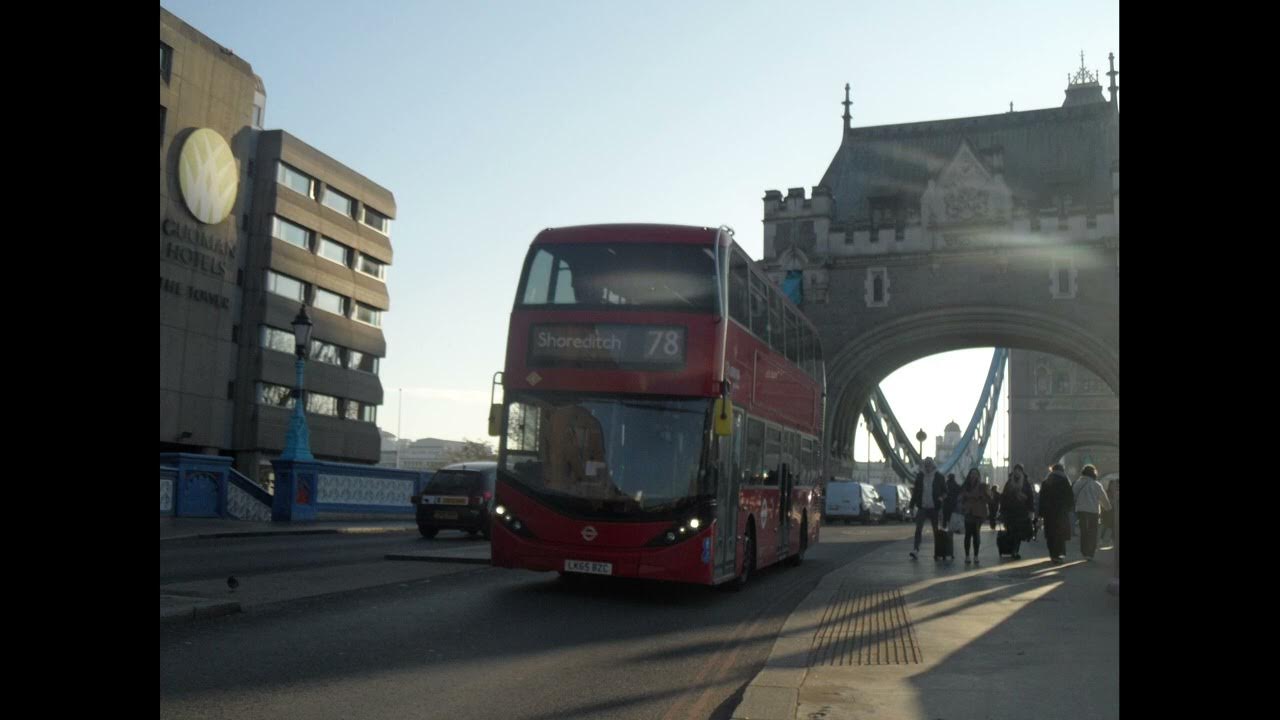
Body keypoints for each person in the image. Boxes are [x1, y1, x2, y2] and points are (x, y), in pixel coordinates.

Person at [908, 457, 946, 560]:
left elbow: (945, 492)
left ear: (933, 465)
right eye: (926, 464)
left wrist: (941, 498)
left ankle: (937, 551)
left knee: (935, 530)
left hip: (934, 507)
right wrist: (911, 506)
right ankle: (915, 550)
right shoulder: (920, 476)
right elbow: (915, 492)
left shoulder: (939, 477)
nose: (928, 466)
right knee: (918, 529)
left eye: (929, 464)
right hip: (922, 507)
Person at [1072, 464, 1112, 560]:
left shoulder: (1077, 483)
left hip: (1081, 511)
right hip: (1093, 511)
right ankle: (1091, 553)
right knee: (1093, 532)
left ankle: (1084, 551)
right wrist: (1108, 508)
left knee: (1084, 532)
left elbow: (1072, 496)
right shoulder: (1096, 484)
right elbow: (1103, 498)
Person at [1039, 463, 1074, 563]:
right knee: (1060, 533)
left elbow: (1042, 498)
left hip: (1049, 513)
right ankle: (1059, 553)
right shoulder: (1065, 481)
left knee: (1051, 533)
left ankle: (1052, 554)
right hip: (1061, 512)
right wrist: (1069, 508)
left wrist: (1041, 513)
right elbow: (1070, 497)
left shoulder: (1046, 482)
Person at [1000, 464, 1035, 559]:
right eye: (1016, 470)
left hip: (1021, 512)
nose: (1017, 472)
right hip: (1010, 512)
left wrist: (1031, 510)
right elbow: (1004, 497)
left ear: (1022, 472)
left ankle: (1015, 551)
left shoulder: (1026, 483)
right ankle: (1013, 550)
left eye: (1019, 470)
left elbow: (1030, 497)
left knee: (1018, 533)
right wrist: (1002, 511)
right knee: (1011, 532)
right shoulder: (1009, 483)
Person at [958, 468, 989, 564]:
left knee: (976, 534)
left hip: (978, 514)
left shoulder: (982, 486)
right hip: (968, 512)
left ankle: (976, 556)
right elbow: (960, 497)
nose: (973, 475)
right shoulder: (965, 486)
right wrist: (964, 501)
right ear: (969, 475)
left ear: (978, 476)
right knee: (968, 535)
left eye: (975, 474)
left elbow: (988, 498)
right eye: (972, 473)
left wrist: (978, 496)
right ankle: (967, 556)